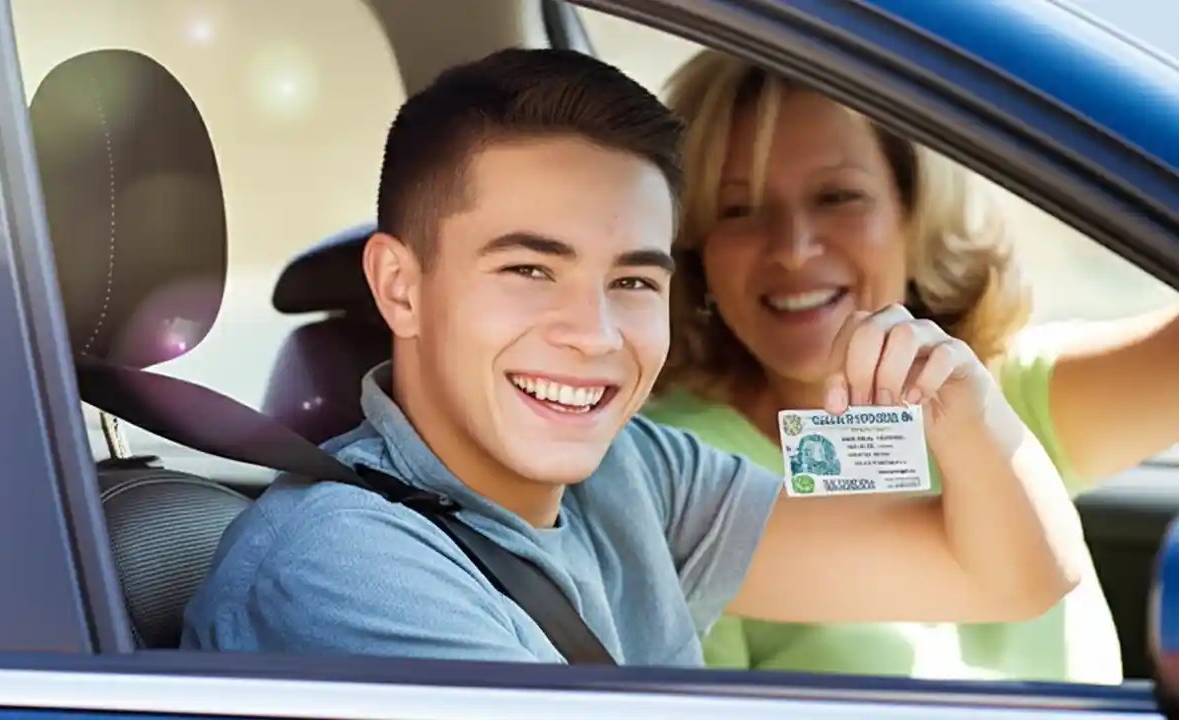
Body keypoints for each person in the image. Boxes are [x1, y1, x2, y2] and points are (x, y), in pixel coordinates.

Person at [181, 47, 1088, 665]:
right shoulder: (341, 571)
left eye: (633, 281)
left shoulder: (629, 476)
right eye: (531, 268)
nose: (595, 334)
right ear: (402, 287)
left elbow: (1008, 579)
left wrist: (971, 414)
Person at [645, 48, 1179, 682]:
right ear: (697, 245)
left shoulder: (1005, 393)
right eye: (739, 209)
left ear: (912, 214)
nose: (793, 249)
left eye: (837, 196)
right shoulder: (672, 471)